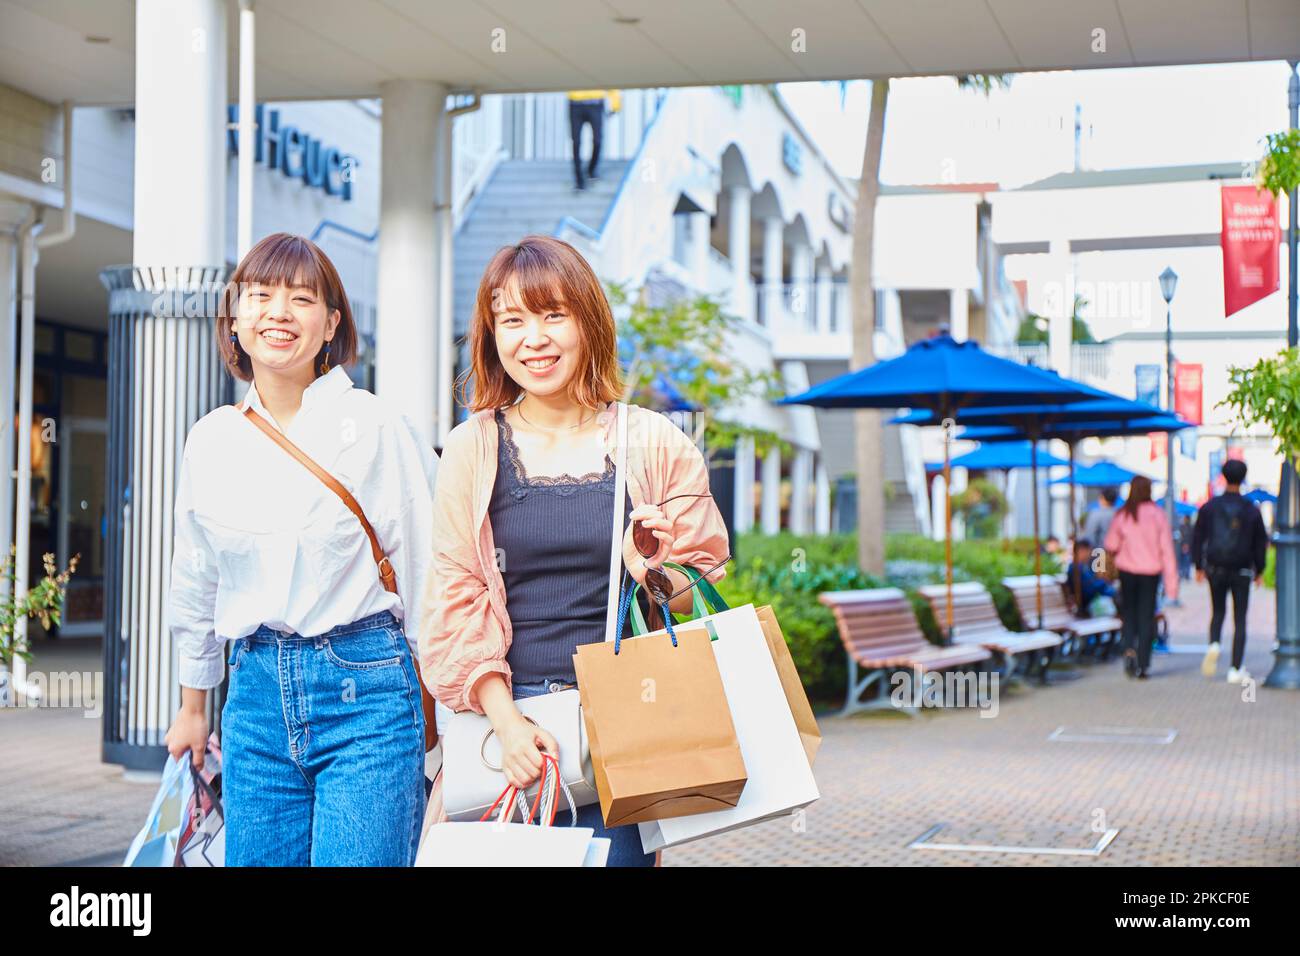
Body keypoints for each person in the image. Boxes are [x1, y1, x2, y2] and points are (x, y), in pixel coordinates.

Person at [419, 234, 730, 867]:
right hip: (502, 725)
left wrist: (654, 571)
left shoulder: (652, 441)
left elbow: (689, 580)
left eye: (552, 315)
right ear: (491, 336)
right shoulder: (471, 448)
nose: (533, 338)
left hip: (623, 723)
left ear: (587, 321)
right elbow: (454, 598)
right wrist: (508, 726)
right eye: (513, 320)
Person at [163, 233, 437, 866]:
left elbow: (425, 574)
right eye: (259, 295)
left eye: (301, 298)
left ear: (331, 324)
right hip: (254, 696)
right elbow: (196, 579)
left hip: (366, 693)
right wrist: (193, 707)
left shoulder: (374, 427)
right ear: (235, 318)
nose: (277, 312)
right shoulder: (211, 440)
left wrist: (447, 722)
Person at [1192, 459, 1269, 684]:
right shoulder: (1251, 509)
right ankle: (1235, 669)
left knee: (1217, 612)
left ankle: (1214, 643)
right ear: (1243, 477)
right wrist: (1260, 569)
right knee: (1240, 618)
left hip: (1215, 567)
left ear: (1224, 477)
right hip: (1242, 569)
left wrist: (1198, 565)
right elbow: (1259, 542)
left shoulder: (1210, 506)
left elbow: (1198, 537)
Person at [1104, 475, 1178, 679]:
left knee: (1129, 613)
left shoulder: (1123, 514)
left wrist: (1102, 568)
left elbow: (1110, 545)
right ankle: (1143, 664)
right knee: (1146, 616)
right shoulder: (1157, 514)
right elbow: (1167, 551)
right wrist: (1172, 586)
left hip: (1127, 572)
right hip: (1150, 573)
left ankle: (1129, 648)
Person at [567, 89, 620, 190]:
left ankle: (591, 170)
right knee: (576, 142)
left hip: (596, 103)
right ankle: (579, 180)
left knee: (597, 140)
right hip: (575, 104)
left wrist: (615, 104)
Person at [1065, 538, 1117, 616]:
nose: (1090, 554)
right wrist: (1105, 583)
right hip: (1088, 604)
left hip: (1091, 600)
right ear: (1082, 550)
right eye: (1089, 551)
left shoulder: (1080, 567)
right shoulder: (1077, 568)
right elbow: (1090, 589)